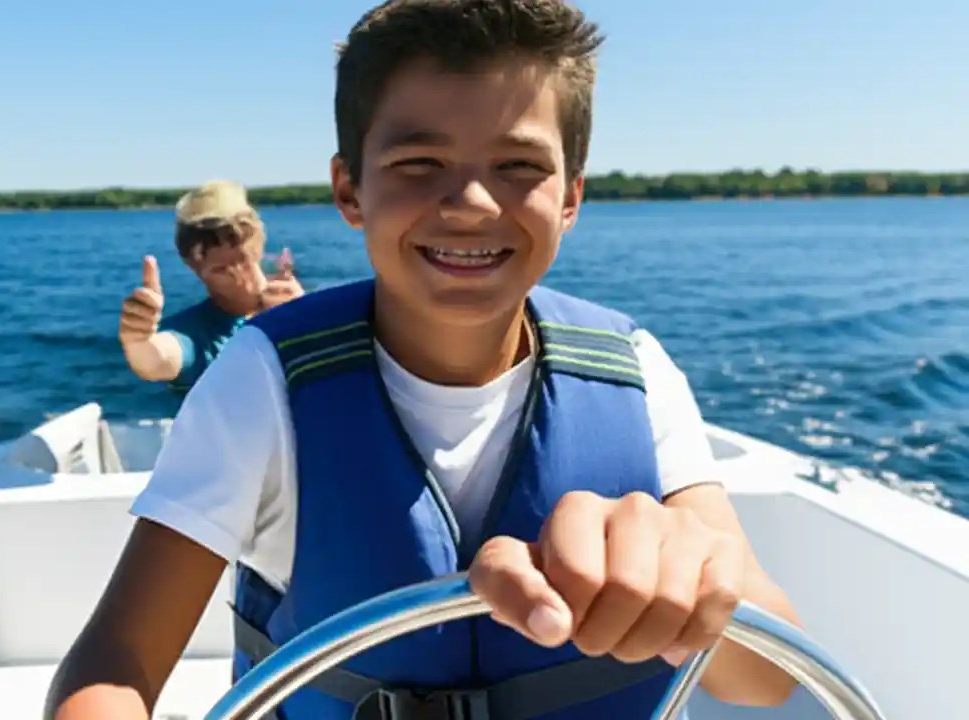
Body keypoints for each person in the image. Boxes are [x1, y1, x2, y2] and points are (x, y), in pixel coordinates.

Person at [49, 1, 801, 718]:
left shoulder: (635, 371)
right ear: (349, 190)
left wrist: (694, 586)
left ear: (570, 198)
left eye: (518, 167)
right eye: (418, 163)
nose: (471, 202)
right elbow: (118, 661)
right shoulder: (263, 380)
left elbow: (768, 681)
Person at [118, 179, 304, 392]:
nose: (233, 269)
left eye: (233, 236)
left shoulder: (298, 307)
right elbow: (158, 358)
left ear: (258, 242)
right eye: (220, 267)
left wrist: (304, 318)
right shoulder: (194, 334)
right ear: (190, 261)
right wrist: (138, 342)